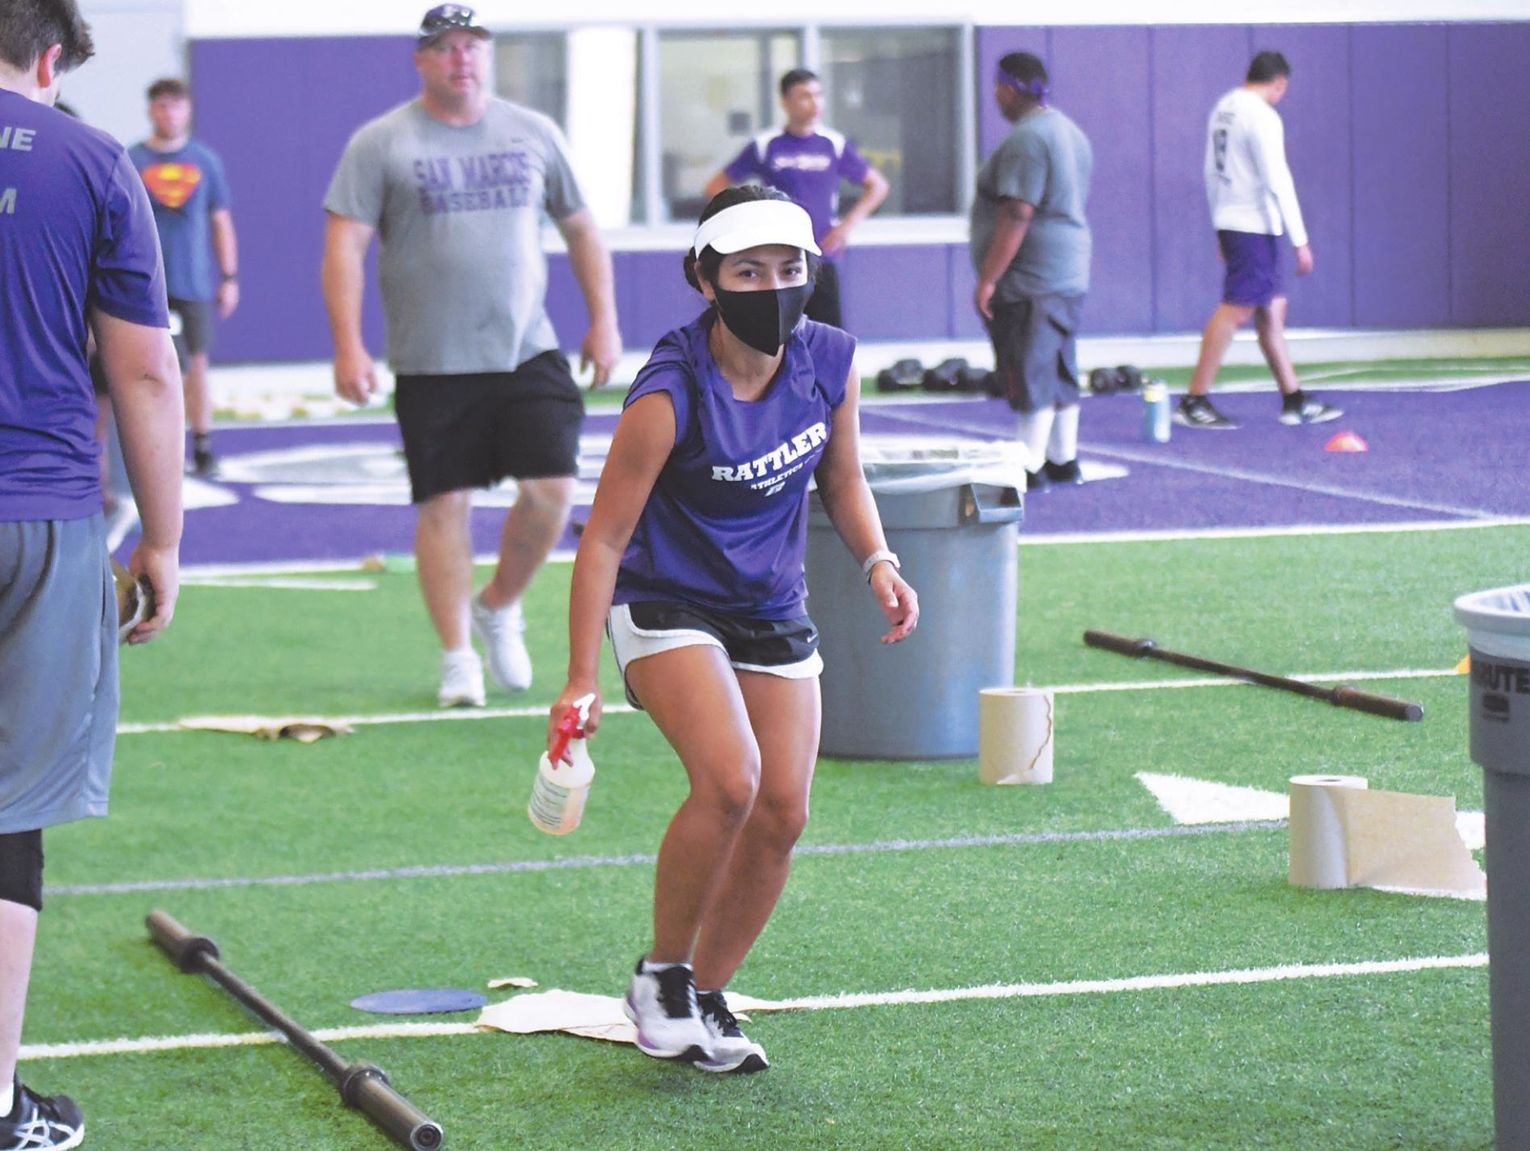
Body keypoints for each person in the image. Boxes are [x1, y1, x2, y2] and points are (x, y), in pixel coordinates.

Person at [550, 186, 918, 1074]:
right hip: (666, 601)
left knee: (784, 810)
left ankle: (705, 996)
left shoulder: (829, 359)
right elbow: (601, 535)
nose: (774, 287)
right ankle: (660, 975)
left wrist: (878, 559)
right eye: (749, 270)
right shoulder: (669, 391)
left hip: (771, 604)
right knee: (731, 780)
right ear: (706, 280)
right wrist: (578, 674)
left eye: (790, 269)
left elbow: (843, 477)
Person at [321, 3, 622, 709]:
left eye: (473, 45)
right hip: (431, 362)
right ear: (422, 60)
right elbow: (345, 247)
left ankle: (499, 603)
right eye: (447, 47)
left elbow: (581, 229)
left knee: (554, 490)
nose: (462, 57)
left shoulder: (533, 132)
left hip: (527, 347)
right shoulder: (382, 142)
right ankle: (458, 654)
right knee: (443, 506)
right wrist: (347, 344)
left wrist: (603, 321)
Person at [1, 2, 184, 1146]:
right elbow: (145, 375)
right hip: (39, 517)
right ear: (53, 55)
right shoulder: (94, 158)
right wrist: (159, 539)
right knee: (8, 810)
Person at [1177, 51, 1342, 431]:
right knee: (1237, 308)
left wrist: (1220, 225)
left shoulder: (1224, 108)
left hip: (1236, 221)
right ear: (1279, 82)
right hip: (1253, 224)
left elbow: (1211, 172)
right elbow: (1277, 178)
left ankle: (1293, 398)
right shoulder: (1262, 115)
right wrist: (1300, 238)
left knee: (1271, 308)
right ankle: (1194, 399)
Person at [969, 51, 1093, 493]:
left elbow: (1018, 211)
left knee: (1030, 365)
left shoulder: (1028, 140)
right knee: (1059, 364)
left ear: (1008, 87)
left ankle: (1029, 465)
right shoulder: (1069, 132)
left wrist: (989, 277)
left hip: (1032, 276)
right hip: (1067, 270)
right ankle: (1064, 459)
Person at [703, 68, 889, 328]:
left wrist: (845, 227)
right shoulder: (766, 144)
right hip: (777, 261)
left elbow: (877, 186)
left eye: (818, 95)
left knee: (828, 338)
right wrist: (752, 223)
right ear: (785, 102)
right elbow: (715, 186)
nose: (814, 103)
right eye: (804, 96)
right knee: (777, 335)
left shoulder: (833, 144)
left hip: (822, 256)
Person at [128, 76, 239, 476]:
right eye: (161, 105)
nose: (168, 113)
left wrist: (229, 276)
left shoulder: (205, 161)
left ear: (187, 110)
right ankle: (153, 445)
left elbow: (221, 221)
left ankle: (203, 443)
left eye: (175, 105)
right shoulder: (132, 160)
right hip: (144, 283)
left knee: (197, 364)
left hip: (193, 282)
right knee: (145, 366)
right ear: (150, 110)